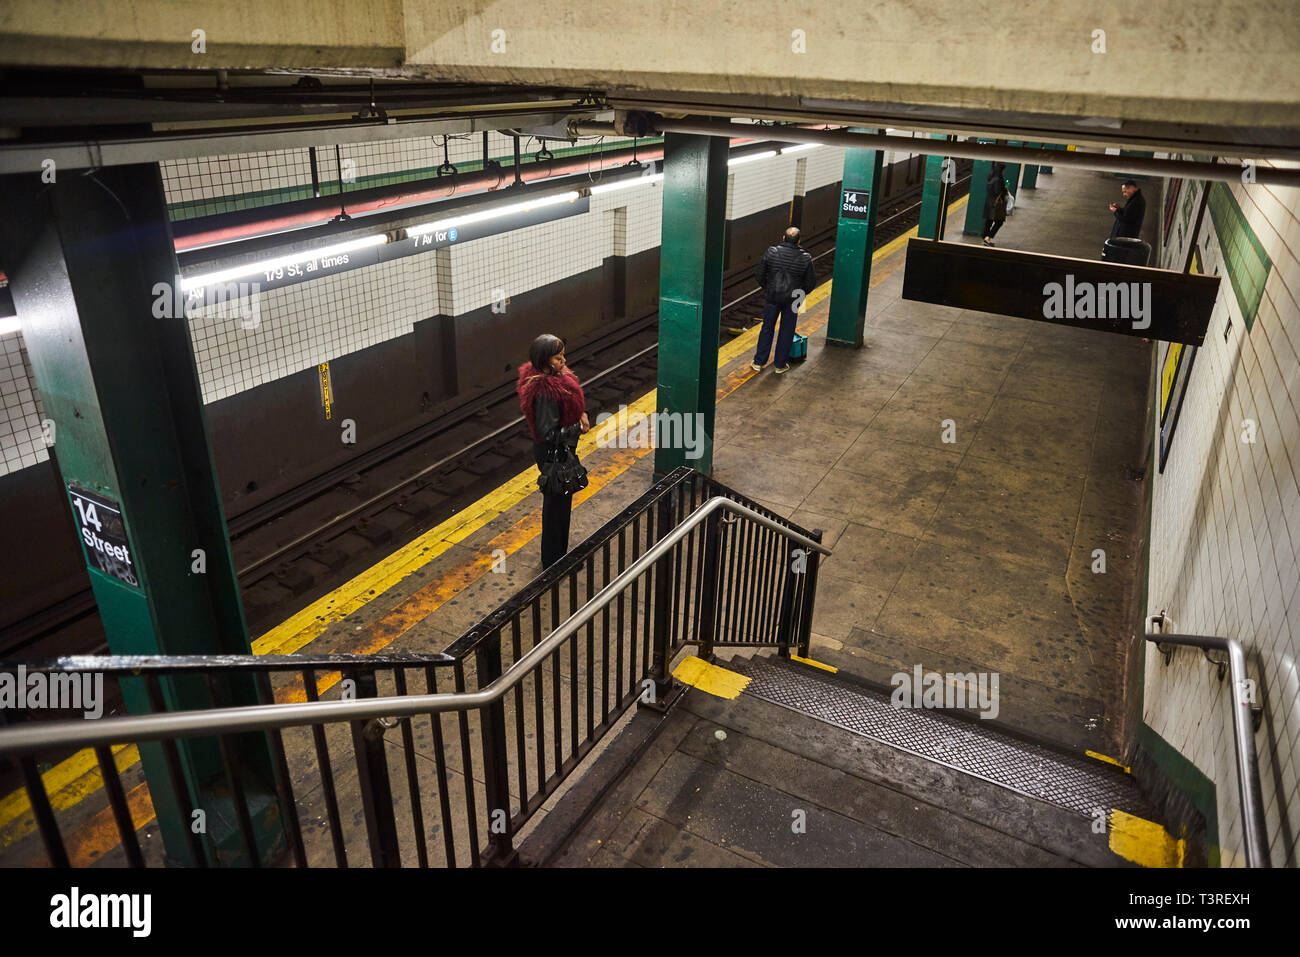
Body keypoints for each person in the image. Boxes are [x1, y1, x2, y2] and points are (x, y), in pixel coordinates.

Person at [516, 334, 589, 569]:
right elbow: (549, 433)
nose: (564, 361)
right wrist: (577, 426)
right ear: (545, 361)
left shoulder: (552, 379)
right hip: (553, 452)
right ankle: (553, 562)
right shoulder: (545, 392)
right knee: (556, 508)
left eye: (563, 356)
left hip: (559, 450)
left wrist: (579, 415)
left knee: (561, 503)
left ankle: (559, 556)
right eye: (558, 358)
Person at [751, 226, 816, 374]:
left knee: (767, 328)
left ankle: (758, 362)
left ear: (783, 238)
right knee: (787, 330)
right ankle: (780, 365)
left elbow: (759, 274)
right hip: (794, 300)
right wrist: (800, 294)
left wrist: (768, 287)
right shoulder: (806, 257)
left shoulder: (771, 252)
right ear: (799, 241)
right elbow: (810, 283)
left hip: (772, 296)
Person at [982, 162, 1010, 246]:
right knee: (999, 222)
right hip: (995, 205)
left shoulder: (991, 177)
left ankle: (985, 237)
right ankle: (988, 238)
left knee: (988, 221)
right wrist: (1006, 188)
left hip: (989, 203)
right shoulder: (998, 179)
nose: (1004, 172)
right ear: (1001, 170)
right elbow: (998, 191)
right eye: (1003, 170)